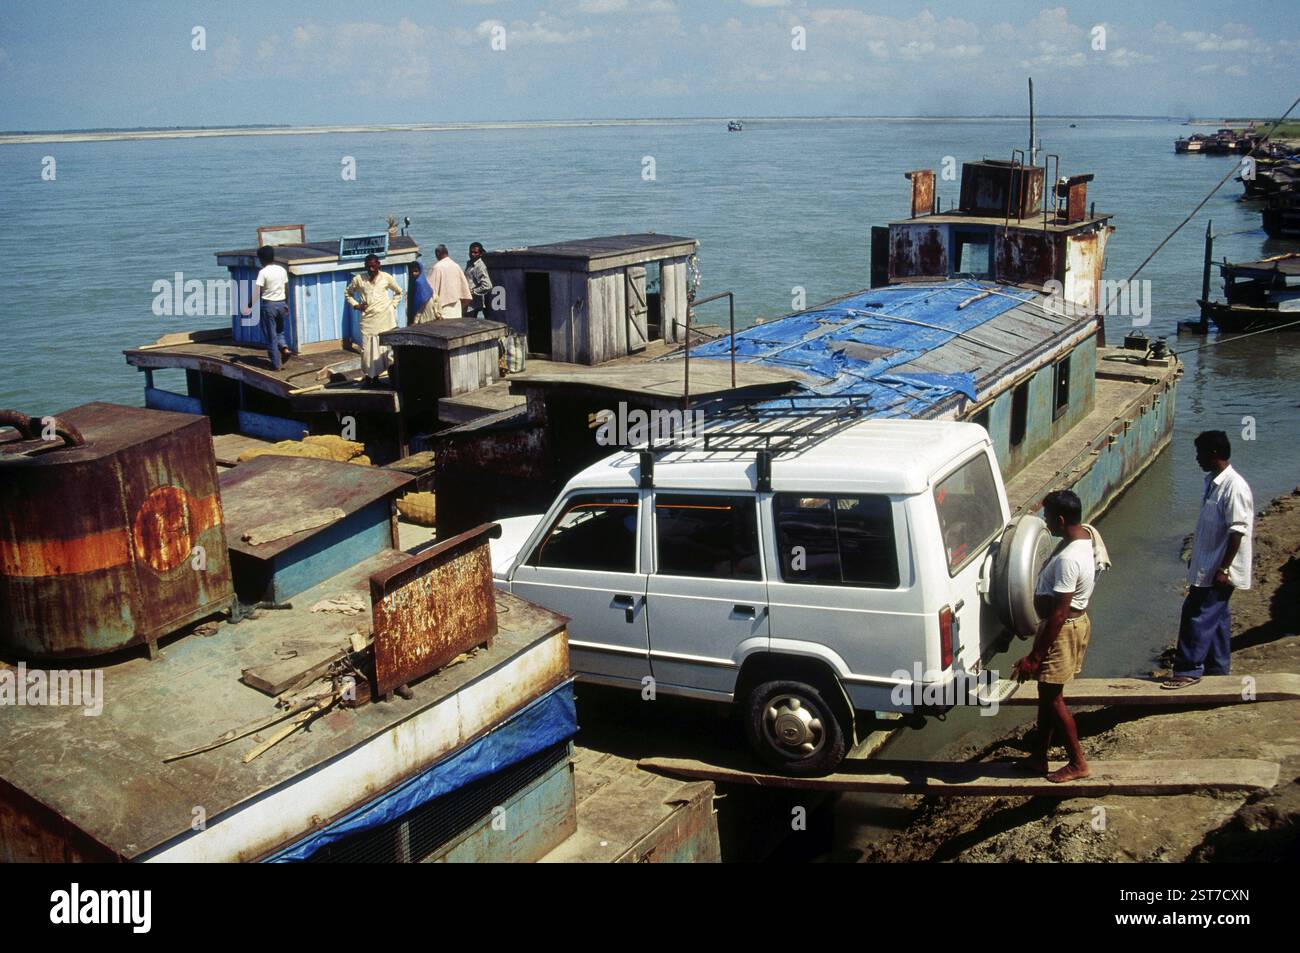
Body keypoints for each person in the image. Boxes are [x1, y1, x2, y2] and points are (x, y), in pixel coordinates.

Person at [1011, 490, 1096, 783]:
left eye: (1048, 518)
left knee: (1054, 698)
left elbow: (1059, 613)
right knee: (1046, 695)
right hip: (1070, 625)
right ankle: (1038, 757)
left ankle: (1077, 762)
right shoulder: (1085, 537)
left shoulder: (1069, 559)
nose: (1045, 523)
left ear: (1060, 519)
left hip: (1062, 629)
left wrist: (1034, 657)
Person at [1163, 430, 1254, 690]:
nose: (1196, 458)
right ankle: (1217, 667)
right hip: (1207, 564)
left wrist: (1224, 568)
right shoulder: (1211, 483)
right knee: (1217, 617)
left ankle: (1188, 669)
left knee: (1196, 614)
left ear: (1214, 454)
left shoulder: (1234, 487)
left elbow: (1238, 530)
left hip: (1219, 567)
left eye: (1200, 453)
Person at [344, 254, 403, 385]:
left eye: (373, 266)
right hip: (368, 320)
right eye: (368, 266)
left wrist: (392, 306)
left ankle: (391, 375)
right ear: (365, 266)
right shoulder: (359, 279)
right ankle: (371, 377)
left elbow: (399, 292)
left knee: (387, 349)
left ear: (378, 264)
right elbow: (348, 293)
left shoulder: (386, 277)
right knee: (367, 350)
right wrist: (356, 305)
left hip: (386, 320)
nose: (371, 269)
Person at [253, 245, 292, 370]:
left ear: (262, 259)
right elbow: (286, 288)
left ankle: (276, 365)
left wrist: (249, 304)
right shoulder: (281, 270)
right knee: (280, 331)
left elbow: (258, 291)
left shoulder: (263, 272)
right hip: (281, 304)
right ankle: (285, 349)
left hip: (269, 305)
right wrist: (286, 304)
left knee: (271, 336)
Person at [430, 244, 472, 320]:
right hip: (457, 307)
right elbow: (465, 290)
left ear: (437, 253)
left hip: (442, 309)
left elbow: (430, 290)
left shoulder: (437, 267)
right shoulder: (456, 266)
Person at [465, 242, 492, 318]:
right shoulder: (471, 264)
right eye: (471, 252)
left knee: (469, 325)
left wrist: (472, 291)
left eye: (475, 252)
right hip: (469, 302)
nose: (472, 254)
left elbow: (487, 285)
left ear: (480, 254)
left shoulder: (479, 266)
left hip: (473, 304)